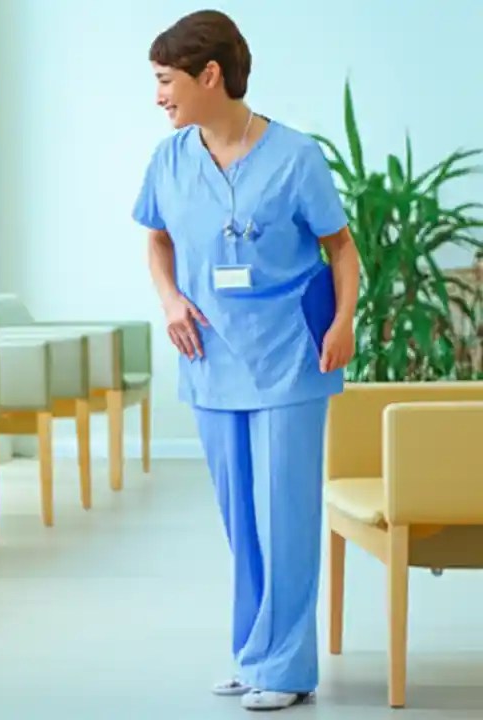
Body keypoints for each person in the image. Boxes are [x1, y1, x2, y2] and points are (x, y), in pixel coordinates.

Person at [133, 10, 360, 712]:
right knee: (243, 520)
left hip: (290, 356)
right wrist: (170, 301)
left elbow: (342, 249)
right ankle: (253, 650)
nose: (159, 96)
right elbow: (158, 241)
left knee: (285, 514)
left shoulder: (295, 156)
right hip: (209, 357)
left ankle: (287, 668)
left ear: (210, 76)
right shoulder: (168, 159)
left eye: (167, 81)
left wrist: (346, 321)